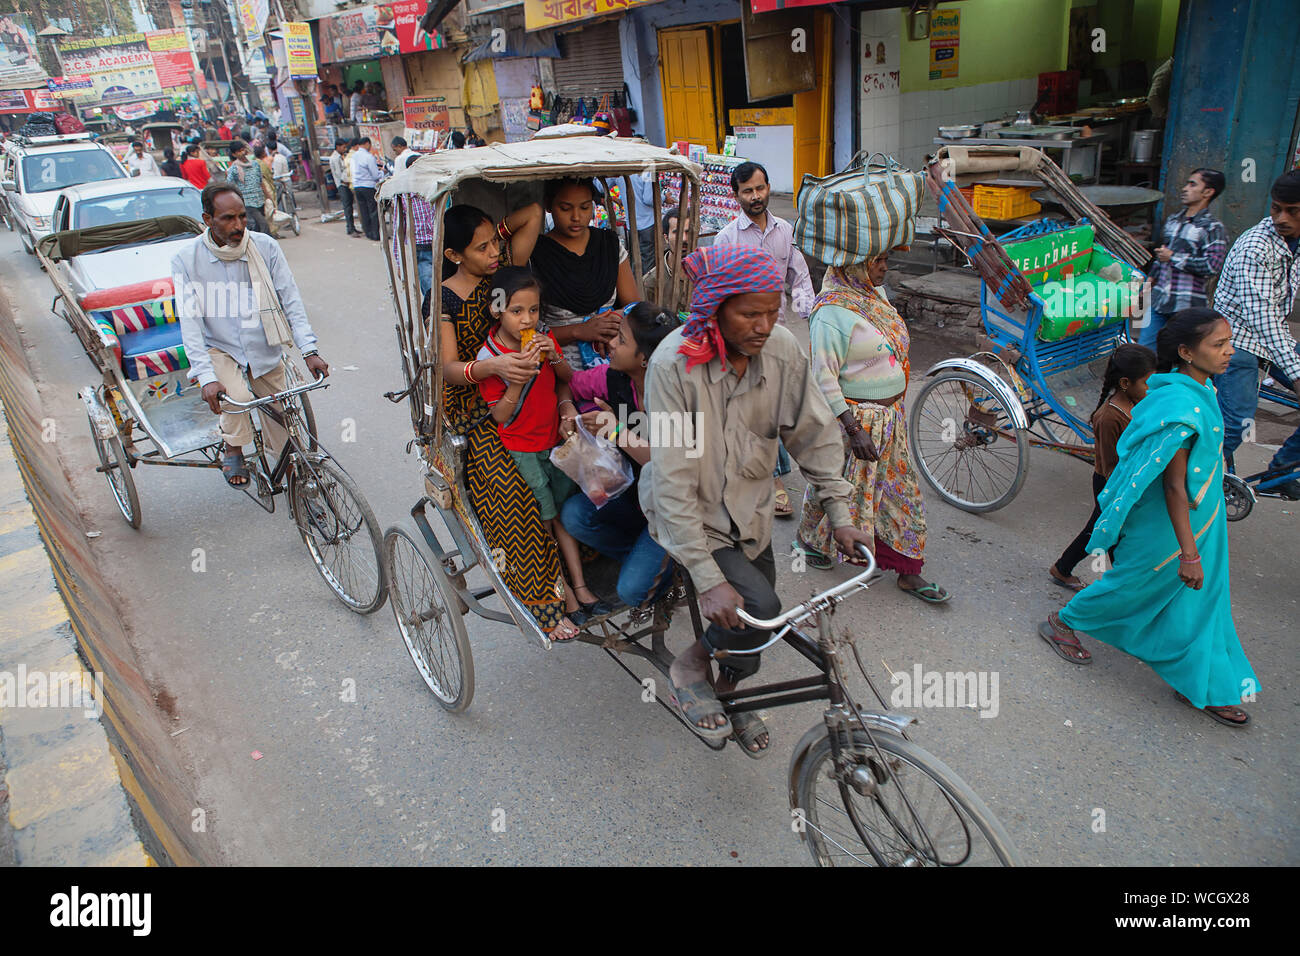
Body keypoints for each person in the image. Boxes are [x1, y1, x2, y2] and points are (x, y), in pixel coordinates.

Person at [643, 245, 872, 755]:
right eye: (750, 313)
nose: (765, 325)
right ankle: (691, 663)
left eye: (773, 311)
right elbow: (674, 483)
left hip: (752, 509)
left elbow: (813, 432)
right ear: (715, 307)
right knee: (756, 607)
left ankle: (729, 694)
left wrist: (840, 512)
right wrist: (706, 579)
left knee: (753, 624)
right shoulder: (670, 366)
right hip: (694, 516)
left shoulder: (784, 350)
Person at [1039, 309, 1258, 728]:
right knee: (1131, 587)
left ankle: (1200, 680)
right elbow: (1174, 487)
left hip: (1203, 522)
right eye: (1218, 345)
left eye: (1228, 342)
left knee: (1202, 603)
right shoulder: (1176, 407)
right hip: (1169, 529)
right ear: (1186, 353)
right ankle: (1062, 621)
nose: (1230, 351)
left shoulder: (1200, 389)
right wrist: (1189, 554)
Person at [436, 203, 575, 633]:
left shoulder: (505, 276)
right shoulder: (442, 297)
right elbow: (447, 368)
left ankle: (580, 569)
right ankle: (545, 600)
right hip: (476, 410)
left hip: (526, 396)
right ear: (455, 255)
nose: (495, 251)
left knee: (576, 463)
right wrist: (493, 368)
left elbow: (533, 213)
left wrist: (494, 233)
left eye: (495, 242)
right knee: (515, 491)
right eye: (481, 247)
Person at [796, 251, 950, 604]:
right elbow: (823, 377)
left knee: (901, 492)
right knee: (839, 488)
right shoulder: (831, 311)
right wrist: (853, 429)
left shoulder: (872, 296)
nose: (885, 267)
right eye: (876, 261)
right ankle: (812, 542)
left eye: (885, 260)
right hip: (855, 423)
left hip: (889, 419)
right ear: (852, 264)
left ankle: (908, 570)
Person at [476, 268, 605, 642]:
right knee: (545, 521)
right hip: (523, 449)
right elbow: (499, 415)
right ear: (497, 310)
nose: (527, 320)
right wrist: (514, 380)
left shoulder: (543, 338)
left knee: (564, 513)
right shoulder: (492, 356)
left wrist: (553, 357)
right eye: (517, 311)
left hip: (554, 441)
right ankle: (561, 592)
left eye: (533, 310)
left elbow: (566, 378)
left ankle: (579, 585)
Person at [172, 182, 329, 488]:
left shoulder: (265, 246)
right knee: (237, 397)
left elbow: (290, 299)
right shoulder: (186, 259)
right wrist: (205, 377)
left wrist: (309, 350)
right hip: (220, 347)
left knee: (282, 420)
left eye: (242, 216)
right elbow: (189, 322)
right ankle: (233, 448)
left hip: (263, 344)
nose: (238, 225)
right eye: (227, 219)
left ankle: (301, 491)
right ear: (207, 220)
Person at [562, 301, 681, 621]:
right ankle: (650, 561)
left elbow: (667, 461)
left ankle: (676, 575)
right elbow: (570, 383)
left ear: (644, 358)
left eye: (622, 339)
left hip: (676, 512)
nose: (610, 344)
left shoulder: (680, 393)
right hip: (637, 500)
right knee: (575, 515)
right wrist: (567, 408)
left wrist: (615, 429)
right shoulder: (613, 377)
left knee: (631, 592)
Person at [713, 160, 815, 517]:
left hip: (779, 336)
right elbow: (719, 294)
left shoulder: (785, 230)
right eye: (747, 192)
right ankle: (773, 481)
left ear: (768, 186)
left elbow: (798, 277)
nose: (755, 197)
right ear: (736, 195)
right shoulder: (727, 238)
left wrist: (812, 318)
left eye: (760, 188)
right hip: (743, 341)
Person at [1214, 170, 1300, 497]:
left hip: (1272, 340)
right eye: (1277, 208)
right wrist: (1296, 375)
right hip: (1234, 341)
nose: (1281, 218)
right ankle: (1189, 479)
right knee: (1234, 424)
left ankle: (1278, 473)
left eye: (1293, 211)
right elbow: (1262, 316)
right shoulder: (1256, 246)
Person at [1049, 344, 1157, 590]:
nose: (1150, 390)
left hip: (1123, 479)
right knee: (1109, 532)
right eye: (1146, 383)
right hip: (1111, 482)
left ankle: (1064, 568)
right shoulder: (1109, 418)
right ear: (1126, 383)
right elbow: (1111, 464)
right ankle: (1121, 587)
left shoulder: (1136, 402)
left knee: (1103, 529)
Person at [529, 177, 640, 370]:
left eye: (585, 207)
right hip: (559, 370)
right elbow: (526, 332)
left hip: (610, 367)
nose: (576, 217)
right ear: (548, 205)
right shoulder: (535, 255)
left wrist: (612, 321)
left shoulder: (609, 246)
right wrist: (579, 331)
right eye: (565, 208)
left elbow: (634, 307)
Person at [1142, 168, 1227, 348]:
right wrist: (1147, 285)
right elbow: (1160, 257)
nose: (1185, 188)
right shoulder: (1173, 221)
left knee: (1181, 357)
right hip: (1159, 301)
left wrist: (1174, 257)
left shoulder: (1212, 228)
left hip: (1187, 306)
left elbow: (1213, 266)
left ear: (1208, 192)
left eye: (1192, 184)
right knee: (1145, 352)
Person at [389, 137, 436, 296]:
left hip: (439, 244)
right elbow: (398, 229)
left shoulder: (434, 190)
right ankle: (433, 318)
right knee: (430, 289)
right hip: (421, 247)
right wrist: (400, 263)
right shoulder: (403, 197)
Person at [640, 205, 694, 306]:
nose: (683, 238)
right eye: (677, 232)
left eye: (688, 232)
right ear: (666, 238)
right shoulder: (651, 282)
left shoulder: (706, 272)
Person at [225, 140, 268, 234]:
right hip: (247, 202)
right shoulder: (234, 169)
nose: (242, 152)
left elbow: (260, 182)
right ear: (234, 154)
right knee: (263, 224)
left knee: (257, 226)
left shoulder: (255, 164)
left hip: (259, 199)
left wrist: (268, 197)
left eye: (242, 149)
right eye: (238, 151)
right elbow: (229, 186)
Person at [350, 136, 381, 241]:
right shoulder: (369, 157)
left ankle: (368, 232)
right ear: (367, 144)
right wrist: (382, 173)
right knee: (373, 210)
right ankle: (376, 234)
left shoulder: (354, 156)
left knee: (363, 210)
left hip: (357, 186)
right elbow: (375, 175)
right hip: (368, 185)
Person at [329, 139, 359, 237]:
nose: (344, 149)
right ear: (338, 146)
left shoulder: (341, 156)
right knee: (347, 207)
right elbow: (339, 174)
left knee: (350, 205)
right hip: (342, 184)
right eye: (343, 147)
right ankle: (350, 228)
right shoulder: (335, 158)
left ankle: (352, 227)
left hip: (346, 183)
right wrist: (348, 181)